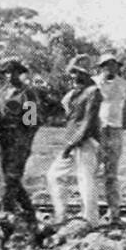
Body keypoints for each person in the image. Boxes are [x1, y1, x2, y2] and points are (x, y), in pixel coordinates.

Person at [0, 56, 40, 227]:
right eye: (6, 73)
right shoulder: (1, 92)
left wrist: (25, 142)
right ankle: (29, 212)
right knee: (10, 178)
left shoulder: (27, 93)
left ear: (18, 73)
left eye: (12, 72)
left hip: (20, 139)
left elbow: (31, 122)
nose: (8, 76)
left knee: (13, 176)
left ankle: (6, 210)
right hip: (5, 139)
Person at [47, 55, 103, 225]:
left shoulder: (94, 92)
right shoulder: (74, 93)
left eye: (75, 73)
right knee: (54, 175)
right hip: (72, 141)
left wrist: (70, 145)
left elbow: (87, 124)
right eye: (71, 73)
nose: (72, 77)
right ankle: (61, 215)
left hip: (85, 142)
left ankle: (91, 220)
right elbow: (68, 114)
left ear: (85, 74)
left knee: (85, 179)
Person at [94, 52, 126, 223]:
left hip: (115, 130)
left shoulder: (124, 85)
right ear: (101, 67)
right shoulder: (93, 83)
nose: (110, 68)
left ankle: (114, 212)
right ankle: (90, 212)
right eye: (106, 65)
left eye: (113, 65)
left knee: (111, 174)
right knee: (91, 172)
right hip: (96, 131)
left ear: (117, 67)